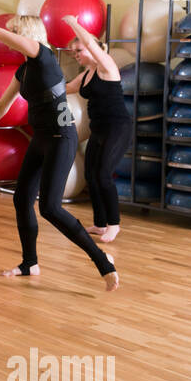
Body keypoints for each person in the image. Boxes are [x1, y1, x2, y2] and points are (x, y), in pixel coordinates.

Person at [0, 15, 120, 292]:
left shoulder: (42, 55)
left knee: (50, 208)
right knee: (21, 199)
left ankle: (102, 261)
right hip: (41, 138)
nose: (10, 40)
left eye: (15, 33)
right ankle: (29, 263)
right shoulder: (23, 72)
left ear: (27, 33)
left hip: (61, 137)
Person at [63, 15, 131, 242]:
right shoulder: (85, 75)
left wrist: (73, 22)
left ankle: (114, 224)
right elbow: (66, 89)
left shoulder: (107, 66)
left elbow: (91, 43)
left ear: (94, 49)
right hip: (99, 129)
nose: (77, 55)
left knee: (103, 174)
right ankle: (100, 224)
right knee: (91, 175)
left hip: (117, 128)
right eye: (74, 52)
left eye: (78, 50)